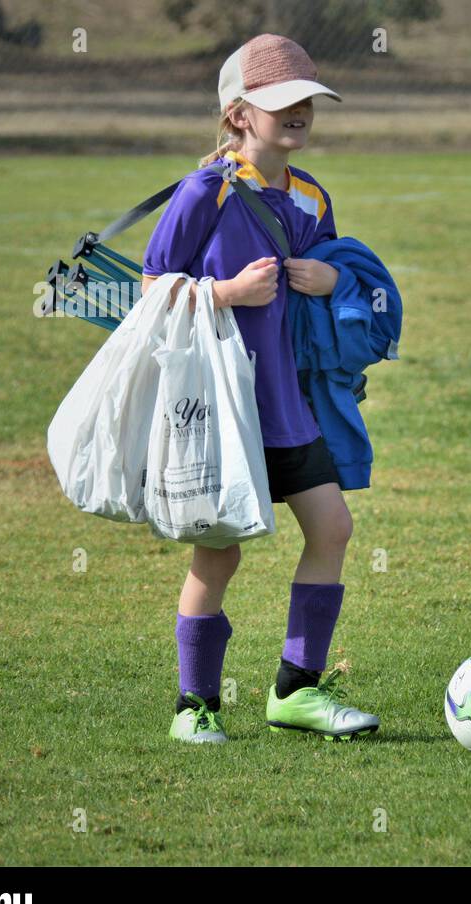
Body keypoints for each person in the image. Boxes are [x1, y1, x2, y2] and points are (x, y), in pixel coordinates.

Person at [140, 34, 379, 744]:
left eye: (307, 99)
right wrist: (225, 293)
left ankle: (295, 691)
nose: (300, 111)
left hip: (290, 402)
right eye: (282, 102)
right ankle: (195, 706)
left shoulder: (311, 197)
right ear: (239, 113)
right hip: (219, 408)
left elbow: (329, 291)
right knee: (220, 552)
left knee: (332, 528)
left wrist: (334, 281)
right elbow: (152, 290)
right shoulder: (202, 191)